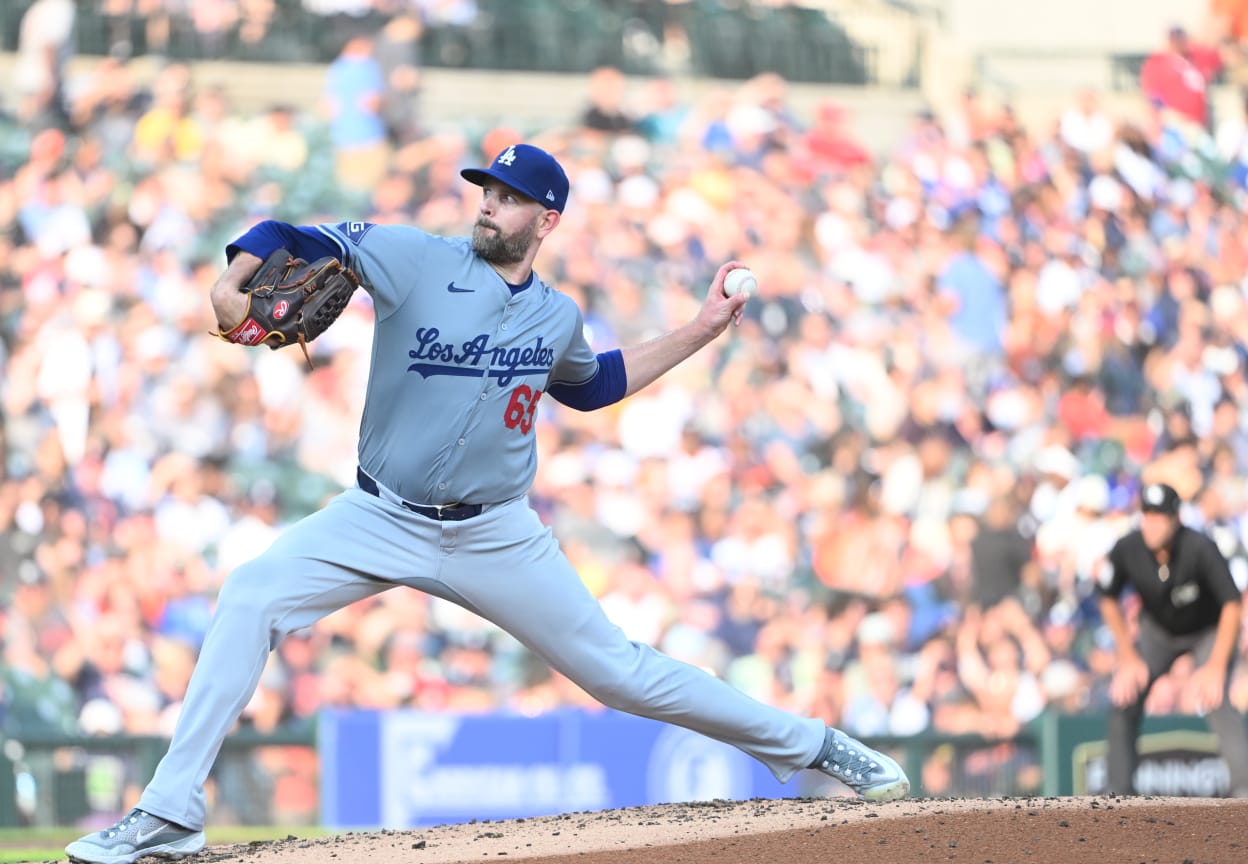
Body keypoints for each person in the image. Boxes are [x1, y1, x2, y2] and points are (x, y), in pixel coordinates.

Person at [65, 142, 910, 864]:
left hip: (496, 534)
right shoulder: (418, 259)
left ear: (546, 221)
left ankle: (816, 748)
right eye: (487, 191)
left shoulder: (555, 314)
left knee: (619, 672)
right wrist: (234, 281)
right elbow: (293, 233)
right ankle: (170, 813)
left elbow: (594, 386)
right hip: (377, 516)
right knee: (250, 594)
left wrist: (700, 329)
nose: (490, 206)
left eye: (511, 199)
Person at [1099, 482, 1248, 796]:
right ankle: (1118, 794)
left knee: (1215, 697)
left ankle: (1244, 792)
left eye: (1160, 516)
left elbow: (1232, 604)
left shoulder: (1199, 547)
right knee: (1125, 693)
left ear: (1176, 518)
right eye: (1147, 515)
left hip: (1206, 632)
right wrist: (1127, 656)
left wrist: (1217, 666)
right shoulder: (1128, 548)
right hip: (1159, 633)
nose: (1152, 524)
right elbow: (1107, 597)